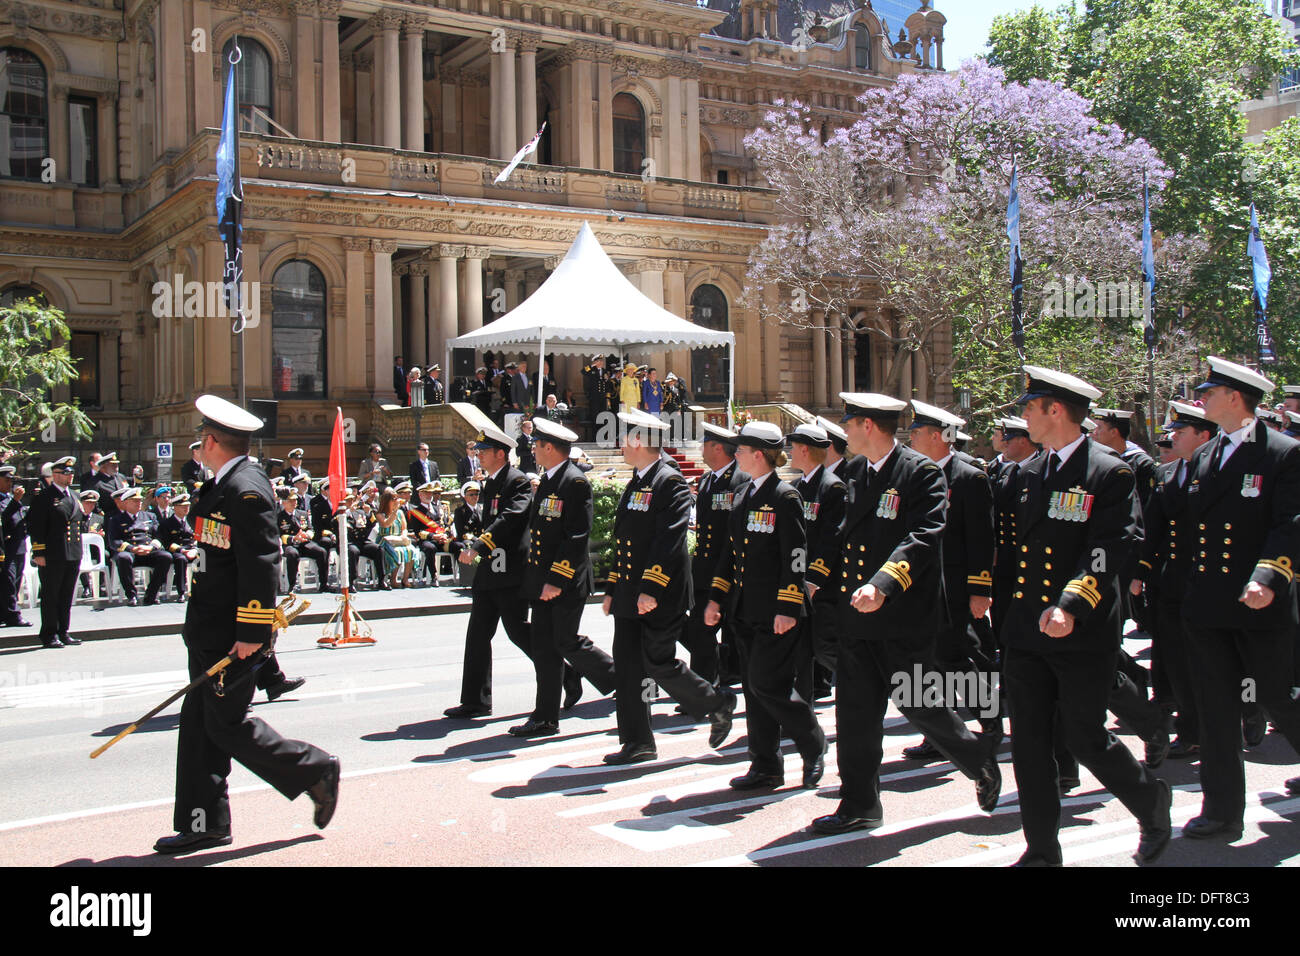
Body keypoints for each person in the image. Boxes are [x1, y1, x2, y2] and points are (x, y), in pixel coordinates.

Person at [152, 394, 337, 854]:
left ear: (211, 440)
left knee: (227, 725)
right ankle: (204, 822)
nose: (198, 445)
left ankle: (313, 769)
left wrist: (252, 634)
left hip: (234, 634)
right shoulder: (220, 484)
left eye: (200, 439)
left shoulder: (246, 487)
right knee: (199, 727)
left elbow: (261, 564)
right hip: (210, 628)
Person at [811, 393, 1002, 836]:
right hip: (857, 616)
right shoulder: (855, 471)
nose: (845, 430)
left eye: (850, 422)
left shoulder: (921, 473)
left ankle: (978, 759)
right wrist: (816, 577)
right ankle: (859, 804)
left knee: (919, 705)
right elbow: (841, 533)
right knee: (854, 715)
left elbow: (923, 535)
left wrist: (883, 584)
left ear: (870, 426)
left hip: (901, 616)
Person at [1001, 367, 1171, 866]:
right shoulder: (1029, 472)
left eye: (1030, 407)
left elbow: (1110, 547)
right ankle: (1041, 850)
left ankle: (1149, 800)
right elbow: (1015, 552)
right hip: (1027, 630)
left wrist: (1071, 604)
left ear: (1055, 410)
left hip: (1081, 629)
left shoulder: (1109, 472)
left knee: (1085, 737)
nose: (1023, 416)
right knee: (1029, 746)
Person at [1179, 357, 1300, 838]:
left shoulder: (1283, 452)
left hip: (1258, 601)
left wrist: (1268, 578)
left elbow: (1290, 525)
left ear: (1235, 398)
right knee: (1216, 709)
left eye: (1209, 392)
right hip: (1210, 603)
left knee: (1276, 698)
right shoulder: (1207, 455)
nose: (1201, 399)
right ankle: (1222, 809)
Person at [603, 407, 737, 764]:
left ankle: (716, 701)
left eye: (625, 437)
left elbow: (670, 539)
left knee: (658, 661)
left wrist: (651, 587)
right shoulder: (637, 480)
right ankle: (637, 742)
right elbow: (625, 537)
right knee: (628, 667)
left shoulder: (669, 481)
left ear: (638, 441)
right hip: (632, 592)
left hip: (660, 593)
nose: (619, 444)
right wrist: (614, 585)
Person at [705, 421, 825, 788]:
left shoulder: (785, 496)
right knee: (754, 691)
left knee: (767, 684)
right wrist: (716, 598)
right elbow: (730, 554)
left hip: (776, 611)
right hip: (744, 609)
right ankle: (765, 764)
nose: (735, 454)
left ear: (759, 454)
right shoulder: (743, 494)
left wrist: (788, 608)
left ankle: (812, 743)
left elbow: (795, 556)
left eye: (740, 450)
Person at [902, 400, 999, 758]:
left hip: (955, 588)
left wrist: (980, 589)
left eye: (917, 432)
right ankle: (937, 732)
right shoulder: (914, 475)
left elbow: (981, 538)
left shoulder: (969, 476)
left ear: (941, 436)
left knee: (959, 659)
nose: (911, 438)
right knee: (925, 662)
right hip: (922, 587)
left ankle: (990, 721)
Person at [512, 418, 617, 738]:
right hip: (543, 578)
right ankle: (545, 717)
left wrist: (556, 579)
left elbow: (576, 535)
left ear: (549, 447)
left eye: (536, 444)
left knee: (564, 642)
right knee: (545, 647)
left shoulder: (574, 482)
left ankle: (620, 676)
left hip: (565, 580)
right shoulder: (548, 480)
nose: (532, 449)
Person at [1131, 401, 1217, 760]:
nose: (1172, 438)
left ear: (1204, 435)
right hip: (1170, 583)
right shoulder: (1165, 475)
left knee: (1206, 663)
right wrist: (1140, 572)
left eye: (1181, 432)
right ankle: (1189, 729)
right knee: (1176, 662)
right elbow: (1153, 530)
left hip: (1207, 583)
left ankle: (1227, 720)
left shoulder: (1215, 473)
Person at [445, 428, 545, 718]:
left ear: (500, 454)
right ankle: (475, 700)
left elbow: (510, 519)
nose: (479, 457)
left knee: (517, 632)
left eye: (484, 452)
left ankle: (564, 674)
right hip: (491, 571)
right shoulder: (490, 483)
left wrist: (478, 545)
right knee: (477, 634)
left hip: (511, 570)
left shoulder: (518, 482)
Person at [684, 423, 749, 688]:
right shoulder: (707, 479)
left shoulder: (741, 479)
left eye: (705, 444)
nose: (701, 449)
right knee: (701, 629)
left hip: (730, 569)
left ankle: (739, 674)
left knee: (734, 629)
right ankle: (701, 687)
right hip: (704, 569)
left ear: (718, 448)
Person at [788, 422, 847, 703]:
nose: (789, 452)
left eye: (793, 447)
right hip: (799, 583)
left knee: (825, 647)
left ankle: (862, 683)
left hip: (823, 587)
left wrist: (814, 579)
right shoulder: (797, 486)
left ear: (804, 449)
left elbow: (831, 539)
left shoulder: (832, 487)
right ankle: (801, 709)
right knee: (801, 650)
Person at [27, 456, 81, 648]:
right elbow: (36, 526)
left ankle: (63, 631)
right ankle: (49, 634)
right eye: (66, 473)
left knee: (66, 594)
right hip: (53, 554)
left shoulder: (73, 496)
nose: (70, 476)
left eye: (71, 473)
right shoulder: (45, 497)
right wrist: (38, 553)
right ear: (55, 475)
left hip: (72, 553)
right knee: (51, 595)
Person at [106, 487, 173, 606]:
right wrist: (132, 549)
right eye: (135, 501)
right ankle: (132, 595)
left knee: (166, 557)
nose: (139, 503)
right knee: (123, 558)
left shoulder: (149, 516)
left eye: (140, 501)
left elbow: (159, 536)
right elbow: (114, 541)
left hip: (148, 551)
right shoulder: (116, 519)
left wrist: (151, 547)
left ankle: (151, 593)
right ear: (126, 502)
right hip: (131, 552)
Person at [0, 466, 31, 627]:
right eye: (6, 480)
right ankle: (13, 615)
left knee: (16, 580)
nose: (10, 484)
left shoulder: (10, 498)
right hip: (6, 546)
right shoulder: (8, 500)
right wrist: (15, 501)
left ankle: (4, 613)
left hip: (19, 544)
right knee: (8, 581)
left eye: (11, 481)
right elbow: (3, 518)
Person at [159, 492, 199, 601]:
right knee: (181, 560)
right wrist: (183, 551)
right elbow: (167, 543)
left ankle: (201, 588)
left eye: (188, 506)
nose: (186, 508)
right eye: (183, 506)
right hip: (178, 551)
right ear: (175, 507)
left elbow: (198, 537)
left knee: (204, 557)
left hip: (193, 550)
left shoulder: (192, 521)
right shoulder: (167, 523)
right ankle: (181, 592)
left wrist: (195, 550)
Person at [376, 487, 418, 588]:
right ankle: (393, 578)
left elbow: (404, 528)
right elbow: (386, 524)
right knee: (396, 552)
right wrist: (395, 511)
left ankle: (405, 579)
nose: (396, 501)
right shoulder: (380, 514)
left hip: (398, 538)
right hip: (385, 539)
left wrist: (403, 536)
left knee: (411, 550)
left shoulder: (400, 513)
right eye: (393, 499)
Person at [93, 453, 128, 518]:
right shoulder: (95, 482)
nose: (116, 466)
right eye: (113, 465)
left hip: (125, 516)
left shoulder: (120, 477)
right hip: (109, 517)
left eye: (116, 464)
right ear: (103, 467)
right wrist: (101, 515)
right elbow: (94, 502)